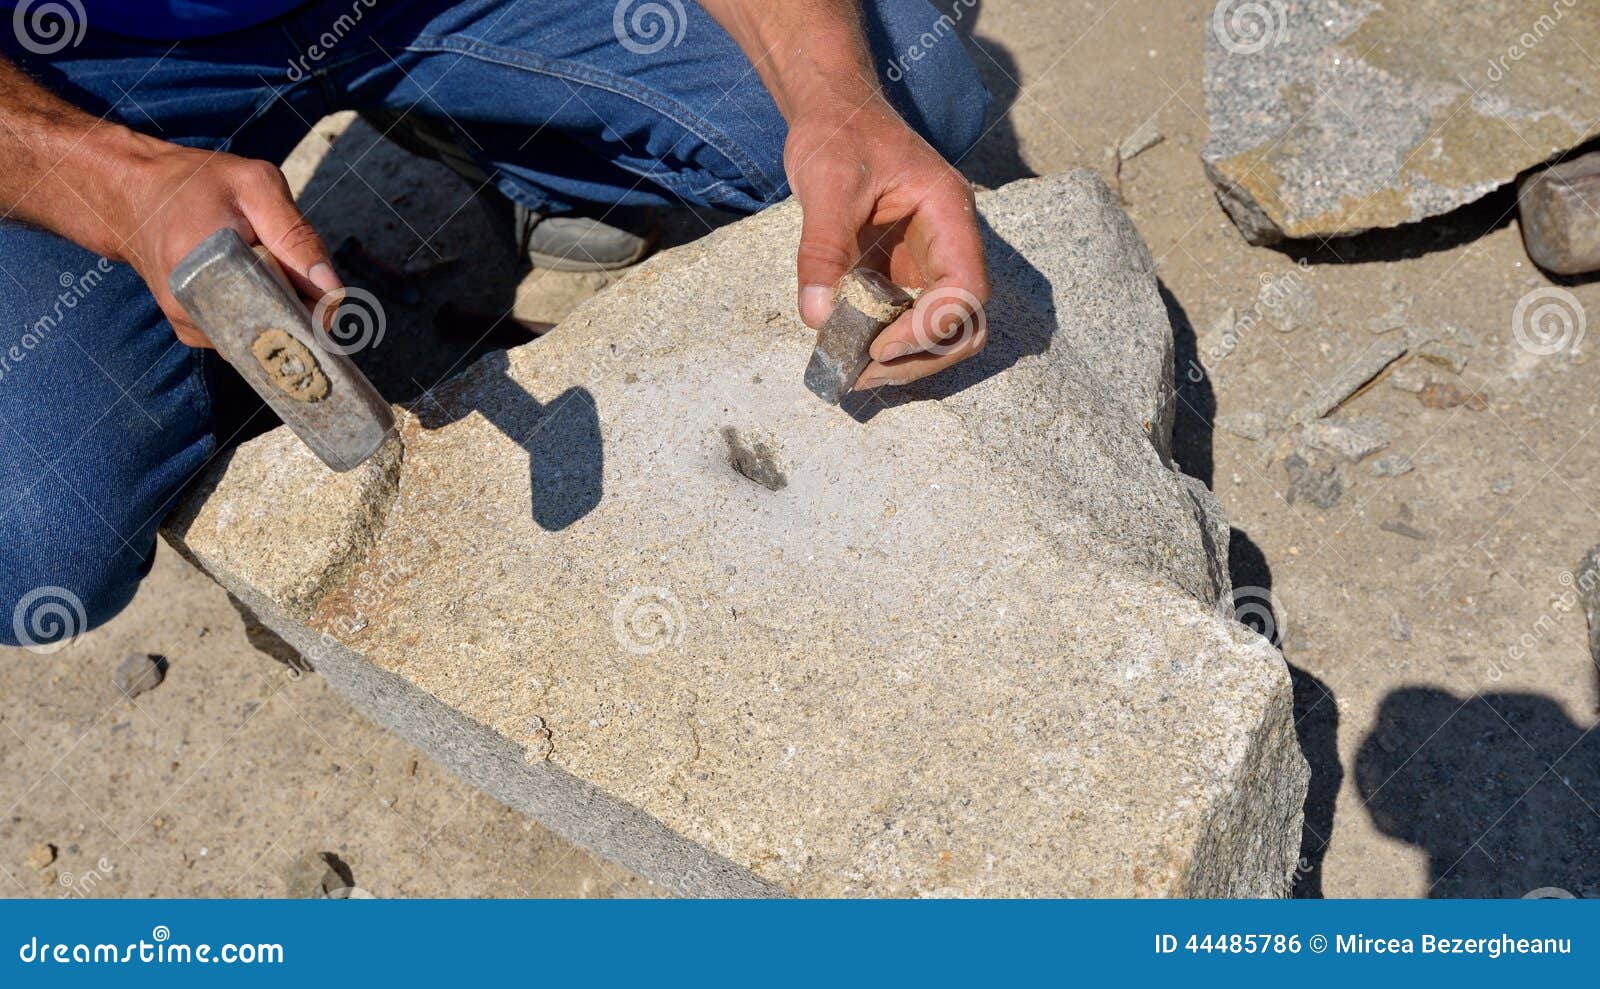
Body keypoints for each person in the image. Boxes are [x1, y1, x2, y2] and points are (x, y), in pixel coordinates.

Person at [0, 0, 991, 647]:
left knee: (913, 85)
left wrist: (835, 100)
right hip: (65, 63)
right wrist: (109, 185)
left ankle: (504, 143)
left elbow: (850, 97)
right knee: (36, 534)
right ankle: (195, 347)